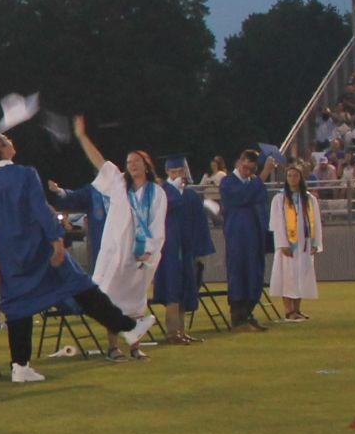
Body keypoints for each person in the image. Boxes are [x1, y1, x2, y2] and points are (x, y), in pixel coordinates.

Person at [0, 131, 154, 383]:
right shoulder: (24, 174)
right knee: (83, 287)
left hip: (10, 258)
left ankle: (20, 366)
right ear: (5, 149)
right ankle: (127, 327)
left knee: (19, 307)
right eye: (8, 141)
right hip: (40, 251)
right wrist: (55, 239)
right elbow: (40, 209)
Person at [71, 119, 167, 361]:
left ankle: (135, 345)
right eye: (128, 163)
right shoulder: (117, 184)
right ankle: (113, 347)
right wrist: (82, 136)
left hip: (140, 254)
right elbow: (99, 161)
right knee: (110, 298)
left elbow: (158, 223)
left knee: (135, 299)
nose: (132, 166)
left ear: (147, 165)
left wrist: (150, 250)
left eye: (136, 162)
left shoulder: (157, 193)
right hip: (117, 252)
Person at [152, 157, 212, 344]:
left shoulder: (191, 195)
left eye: (180, 170)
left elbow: (200, 224)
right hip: (169, 248)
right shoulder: (162, 192)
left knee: (186, 287)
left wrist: (200, 251)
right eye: (174, 171)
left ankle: (181, 331)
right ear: (168, 172)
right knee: (172, 287)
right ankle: (171, 333)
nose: (178, 174)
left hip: (187, 248)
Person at [218, 149, 271, 331]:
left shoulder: (253, 182)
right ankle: (238, 318)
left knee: (254, 273)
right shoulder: (228, 182)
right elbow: (242, 197)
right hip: (238, 236)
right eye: (245, 167)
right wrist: (263, 176)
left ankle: (248, 313)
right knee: (239, 273)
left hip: (255, 235)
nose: (247, 172)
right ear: (239, 162)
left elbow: (261, 201)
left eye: (252, 169)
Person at [268, 165, 323, 321]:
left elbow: (316, 222)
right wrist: (282, 243)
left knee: (302, 276)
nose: (293, 178)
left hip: (304, 244)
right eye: (290, 175)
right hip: (288, 245)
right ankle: (288, 310)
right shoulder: (280, 198)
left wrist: (315, 242)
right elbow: (277, 223)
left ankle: (297, 309)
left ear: (300, 178)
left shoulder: (309, 198)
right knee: (288, 277)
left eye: (295, 175)